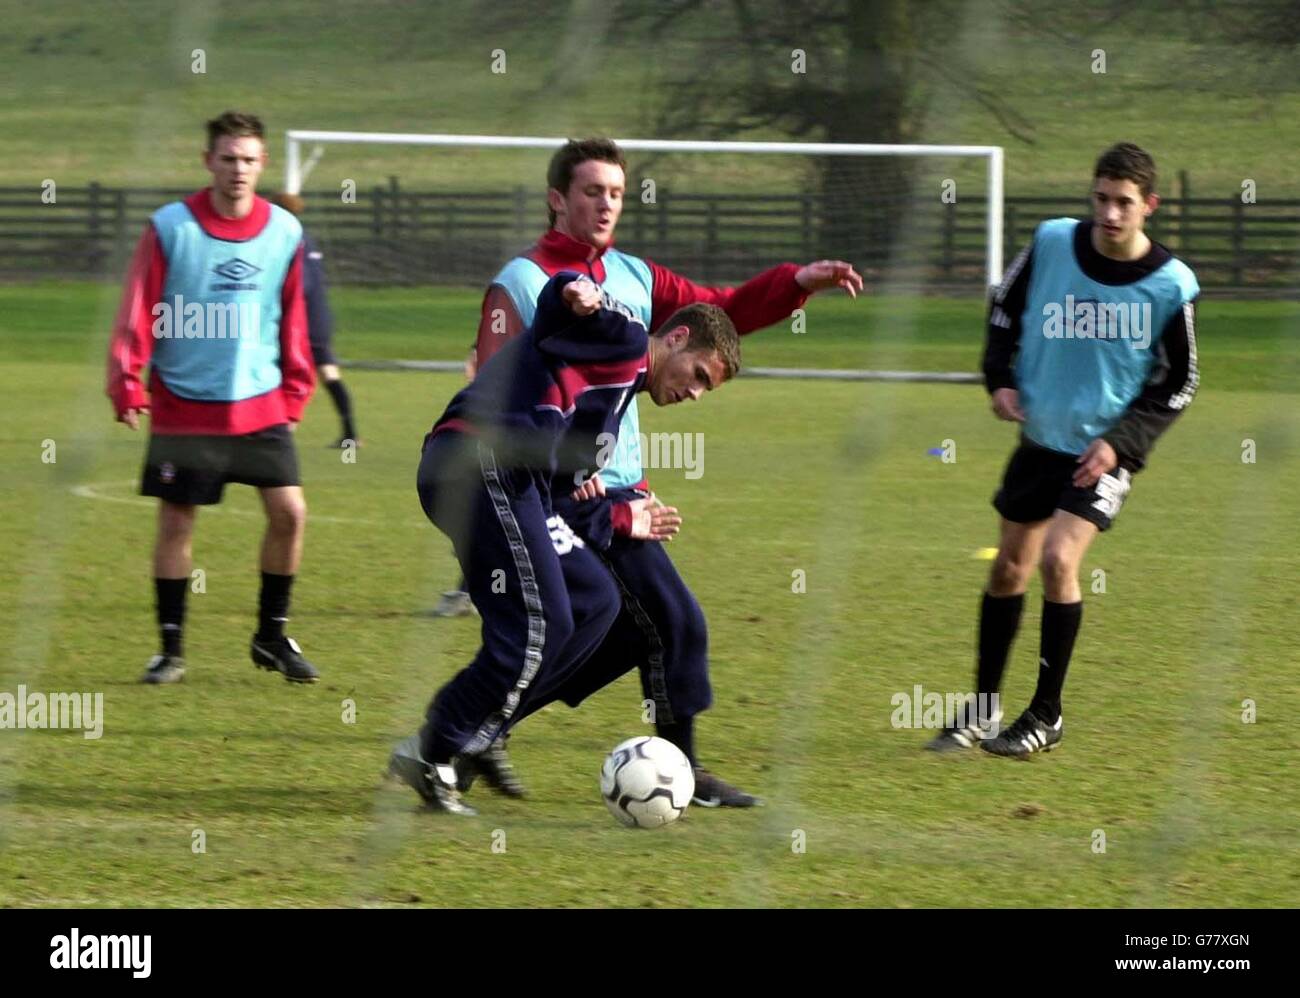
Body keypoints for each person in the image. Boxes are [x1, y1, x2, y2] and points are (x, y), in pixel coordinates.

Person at [450, 137, 863, 806]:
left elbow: (717, 316)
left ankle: (488, 728)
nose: (606, 203)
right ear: (558, 199)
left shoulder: (637, 279)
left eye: (615, 192)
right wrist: (554, 462)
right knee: (666, 620)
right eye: (592, 191)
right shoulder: (522, 281)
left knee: (631, 630)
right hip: (556, 489)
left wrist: (795, 284)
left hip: (618, 488)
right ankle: (664, 769)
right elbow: (494, 396)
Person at [389, 273, 741, 814]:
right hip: (479, 462)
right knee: (540, 623)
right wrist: (573, 288)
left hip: (511, 480)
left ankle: (474, 736)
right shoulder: (626, 342)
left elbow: (562, 493)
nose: (694, 393)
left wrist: (616, 515)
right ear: (675, 338)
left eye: (705, 390)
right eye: (697, 375)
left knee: (594, 600)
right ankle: (438, 745)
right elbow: (563, 312)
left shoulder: (611, 402)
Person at [928, 142, 1199, 757]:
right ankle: (981, 711)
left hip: (1101, 452)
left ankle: (1046, 714)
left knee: (1057, 560)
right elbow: (1004, 309)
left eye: (1124, 203)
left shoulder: (1171, 284)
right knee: (1007, 569)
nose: (1109, 214)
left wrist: (1121, 444)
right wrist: (999, 376)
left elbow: (1180, 381)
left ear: (1148, 206)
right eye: (1101, 199)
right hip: (1040, 439)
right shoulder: (1052, 243)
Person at [106, 111, 320, 685]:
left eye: (249, 159)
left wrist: (296, 390)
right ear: (208, 162)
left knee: (290, 514)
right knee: (177, 524)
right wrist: (127, 379)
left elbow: (293, 316)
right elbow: (137, 306)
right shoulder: (170, 226)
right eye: (228, 158)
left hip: (261, 401)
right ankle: (171, 651)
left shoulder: (285, 232)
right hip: (184, 403)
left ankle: (271, 638)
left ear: (263, 164)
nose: (238, 170)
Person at [272, 193, 360, 448]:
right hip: (320, 316)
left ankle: (282, 431)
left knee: (283, 372)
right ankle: (350, 433)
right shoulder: (305, 237)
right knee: (328, 372)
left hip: (302, 318)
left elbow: (301, 283)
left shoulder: (288, 238)